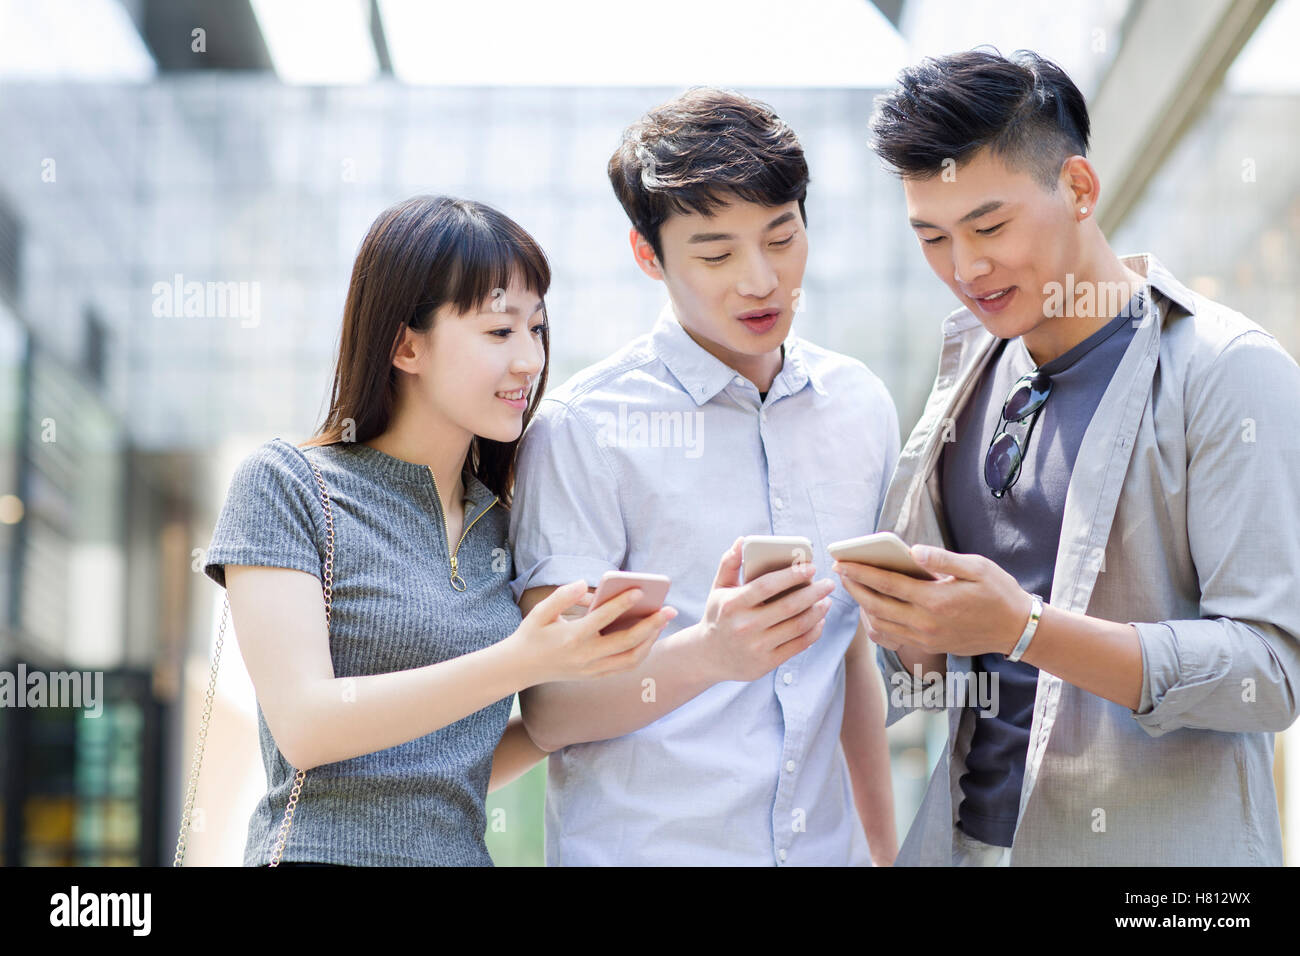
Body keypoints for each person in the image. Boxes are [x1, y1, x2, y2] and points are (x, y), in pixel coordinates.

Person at [840, 48, 1300, 865]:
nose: (965, 268)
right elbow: (931, 683)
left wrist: (1023, 628)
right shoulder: (969, 367)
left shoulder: (1227, 370)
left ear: (1080, 189)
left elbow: (1269, 675)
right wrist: (912, 632)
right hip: (965, 843)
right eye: (933, 237)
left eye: (989, 226)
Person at [201, 195, 674, 866]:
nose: (530, 360)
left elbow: (456, 760)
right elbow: (306, 725)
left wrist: (576, 681)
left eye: (537, 329)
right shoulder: (289, 485)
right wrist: (523, 660)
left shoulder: (505, 525)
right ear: (406, 344)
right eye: (499, 331)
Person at [510, 88, 900, 866]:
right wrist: (715, 654)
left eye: (782, 237)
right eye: (716, 253)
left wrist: (889, 855)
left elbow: (847, 654)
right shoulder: (583, 429)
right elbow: (551, 708)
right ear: (647, 255)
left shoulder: (861, 405)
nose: (760, 280)